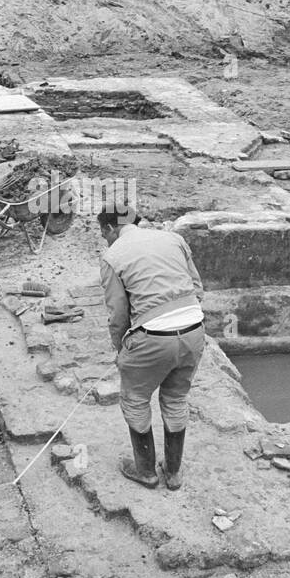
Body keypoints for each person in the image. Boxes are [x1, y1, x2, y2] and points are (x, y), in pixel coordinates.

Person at [98, 206, 205, 490]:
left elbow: (118, 314)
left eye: (103, 233)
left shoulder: (112, 255)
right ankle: (173, 473)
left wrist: (120, 348)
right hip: (194, 330)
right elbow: (197, 288)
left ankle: (145, 471)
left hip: (151, 337)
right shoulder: (172, 239)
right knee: (176, 399)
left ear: (109, 229)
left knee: (134, 399)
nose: (105, 239)